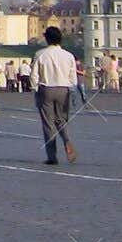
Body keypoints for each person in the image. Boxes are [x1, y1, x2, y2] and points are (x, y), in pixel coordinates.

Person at [33, 26, 78, 165]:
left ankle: (52, 156)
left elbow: (34, 75)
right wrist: (72, 91)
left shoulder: (40, 54)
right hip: (64, 89)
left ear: (47, 39)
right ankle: (67, 140)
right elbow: (73, 77)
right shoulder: (68, 55)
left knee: (48, 123)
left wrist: (35, 89)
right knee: (61, 120)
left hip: (46, 89)